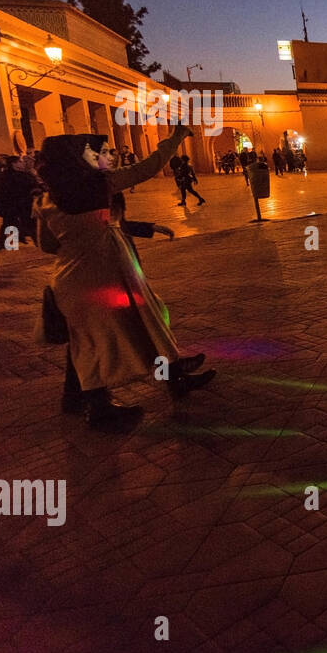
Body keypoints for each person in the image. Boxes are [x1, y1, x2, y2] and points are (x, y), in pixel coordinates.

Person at [34, 127, 215, 431]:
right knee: (143, 321)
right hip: (109, 273)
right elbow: (150, 166)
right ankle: (101, 407)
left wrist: (80, 236)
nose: (95, 156)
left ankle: (161, 381)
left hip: (70, 278)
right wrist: (175, 138)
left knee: (94, 338)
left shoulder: (44, 201)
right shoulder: (101, 185)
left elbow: (47, 246)